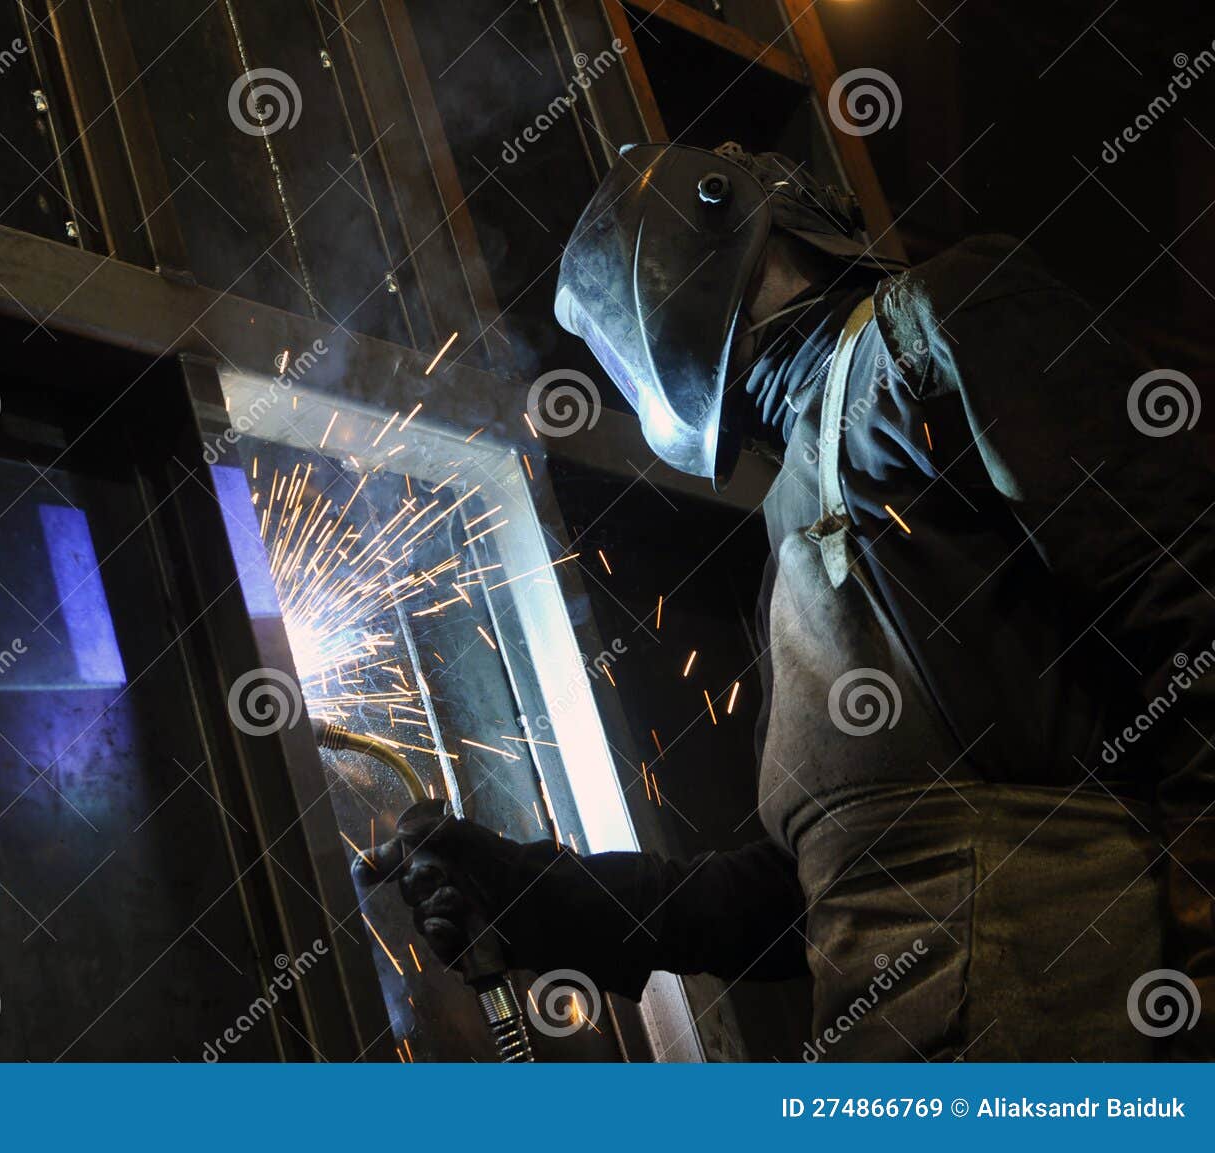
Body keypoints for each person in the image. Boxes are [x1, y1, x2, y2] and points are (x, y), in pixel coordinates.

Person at [360, 143, 1213, 1060]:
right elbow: (806, 893)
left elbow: (1191, 601)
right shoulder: (794, 523)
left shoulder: (942, 325)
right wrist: (537, 893)